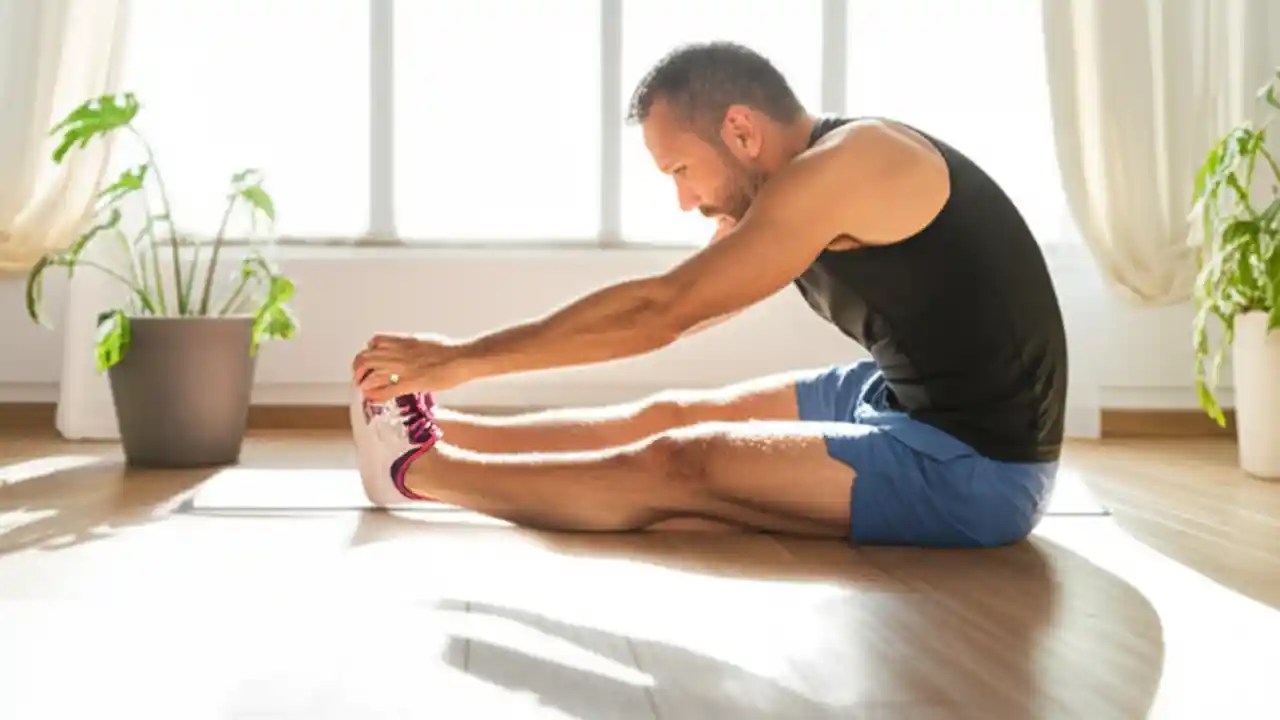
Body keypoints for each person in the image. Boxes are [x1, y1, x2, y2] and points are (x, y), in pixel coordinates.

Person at [349, 42, 1068, 547]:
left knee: (679, 463)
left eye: (683, 170)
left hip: (980, 467)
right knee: (670, 412)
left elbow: (662, 312)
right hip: (895, 397)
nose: (686, 199)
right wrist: (447, 382)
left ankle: (420, 473)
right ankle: (452, 434)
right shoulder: (790, 187)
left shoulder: (850, 166)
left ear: (741, 131)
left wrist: (461, 357)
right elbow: (682, 302)